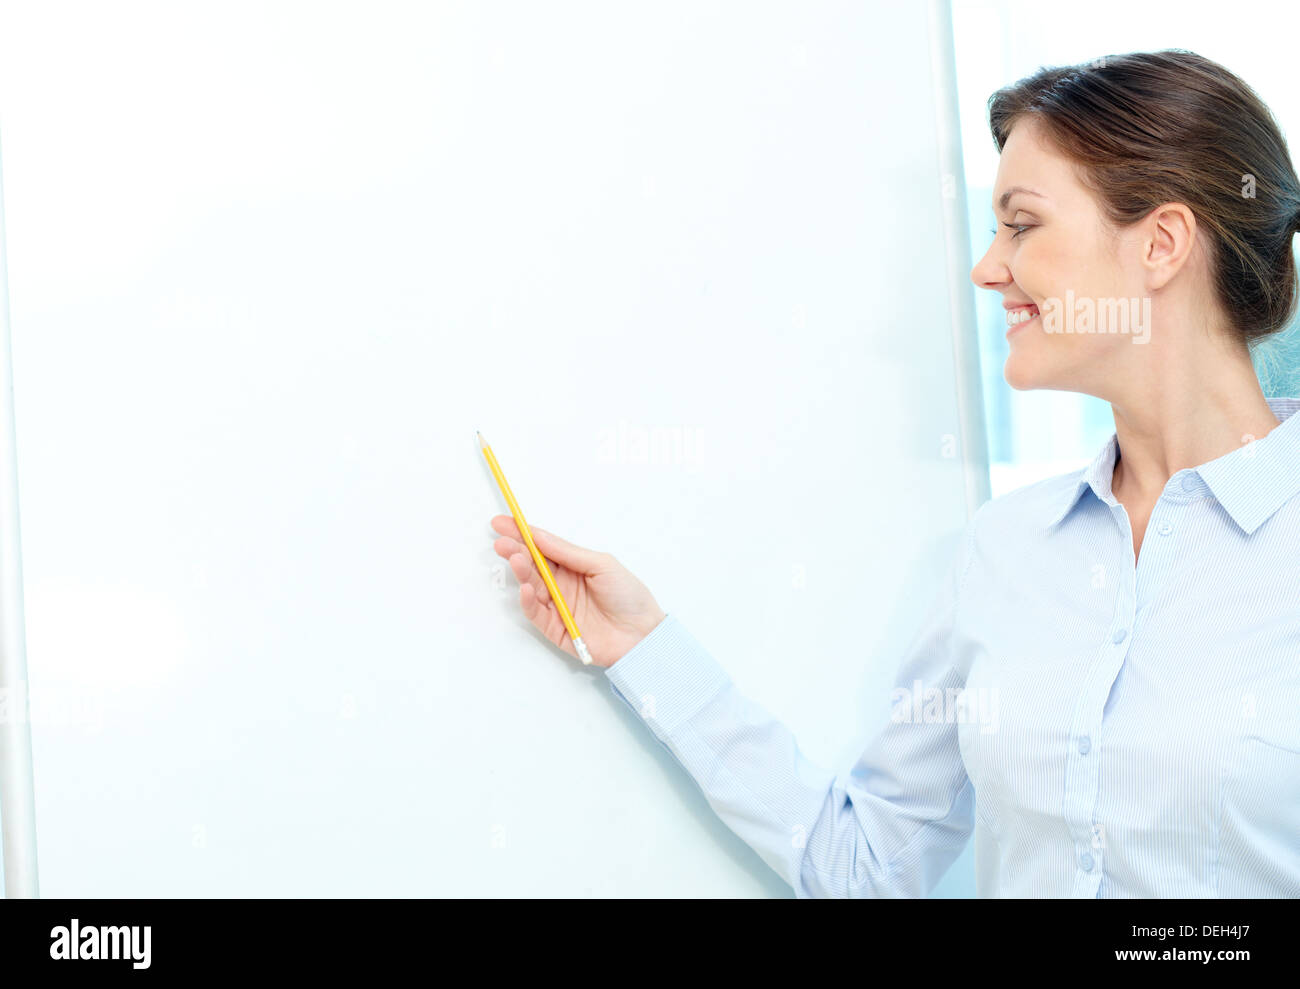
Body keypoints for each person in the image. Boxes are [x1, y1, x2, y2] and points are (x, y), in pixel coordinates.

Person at [488, 49, 1300, 897]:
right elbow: (866, 866)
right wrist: (642, 646)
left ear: (1161, 243)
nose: (989, 266)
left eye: (1022, 224)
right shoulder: (1006, 551)